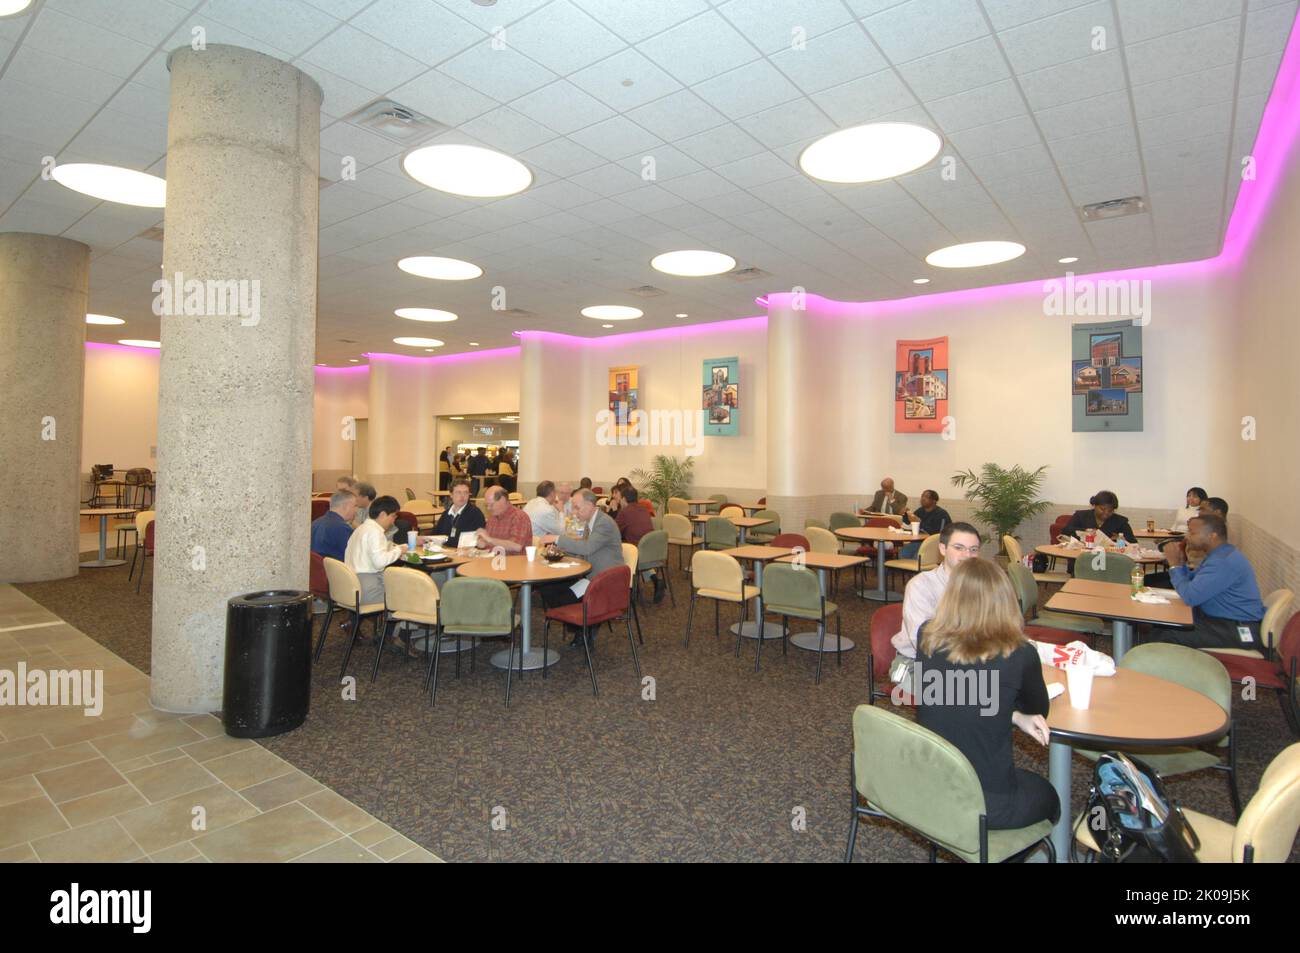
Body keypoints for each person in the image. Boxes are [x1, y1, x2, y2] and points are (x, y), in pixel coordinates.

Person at [915, 558, 1058, 832]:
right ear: (1005, 599)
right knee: (1051, 797)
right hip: (987, 802)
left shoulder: (926, 637)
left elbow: (955, 694)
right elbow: (1039, 709)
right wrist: (1016, 712)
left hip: (932, 787)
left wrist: (1012, 714)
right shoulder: (1020, 653)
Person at [1149, 514, 1266, 650]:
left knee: (1165, 636)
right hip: (1221, 621)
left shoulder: (1223, 562)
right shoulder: (1220, 554)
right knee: (1161, 626)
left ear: (1212, 536)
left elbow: (1190, 596)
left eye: (1192, 532)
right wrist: (1181, 564)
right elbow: (1193, 581)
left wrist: (1174, 565)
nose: (1187, 536)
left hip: (1239, 629)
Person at [538, 489, 624, 644]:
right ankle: (581, 627)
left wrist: (557, 539)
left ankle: (584, 627)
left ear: (590, 505)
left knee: (563, 596)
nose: (575, 512)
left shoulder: (604, 523)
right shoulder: (590, 522)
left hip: (603, 580)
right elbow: (583, 550)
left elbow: (587, 548)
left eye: (577, 508)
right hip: (590, 575)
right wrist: (560, 554)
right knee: (547, 587)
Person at [893, 522, 983, 659]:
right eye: (959, 548)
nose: (967, 555)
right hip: (918, 660)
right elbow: (924, 642)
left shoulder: (983, 586)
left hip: (971, 657)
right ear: (943, 549)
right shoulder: (921, 586)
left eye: (974, 549)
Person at [344, 495, 407, 605]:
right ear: (382, 515)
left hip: (352, 586)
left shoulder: (361, 528)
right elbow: (379, 562)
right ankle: (399, 621)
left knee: (397, 586)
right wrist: (399, 551)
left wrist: (390, 547)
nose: (393, 521)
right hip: (368, 589)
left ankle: (389, 621)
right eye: (393, 516)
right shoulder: (375, 533)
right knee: (408, 596)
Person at [1062, 490, 1135, 543]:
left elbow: (1133, 542)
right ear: (1094, 505)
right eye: (1102, 509)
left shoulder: (1120, 521)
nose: (1106, 513)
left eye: (1110, 510)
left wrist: (1122, 539)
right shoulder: (1081, 516)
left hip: (1109, 559)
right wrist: (1085, 530)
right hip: (1080, 557)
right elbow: (1065, 530)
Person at [477, 485, 534, 553]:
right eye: (487, 505)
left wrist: (489, 539)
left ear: (503, 500)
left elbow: (516, 546)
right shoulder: (492, 518)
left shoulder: (519, 517)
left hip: (514, 561)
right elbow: (491, 542)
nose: (488, 508)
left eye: (491, 505)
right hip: (494, 560)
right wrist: (484, 543)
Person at [432, 479, 485, 547]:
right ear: (451, 495)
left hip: (464, 554)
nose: (462, 496)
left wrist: (444, 540)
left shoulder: (475, 514)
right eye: (458, 492)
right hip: (444, 551)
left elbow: (470, 541)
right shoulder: (446, 514)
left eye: (465, 492)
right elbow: (435, 535)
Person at [899, 489, 949, 558]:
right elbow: (909, 522)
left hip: (934, 544)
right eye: (922, 496)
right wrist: (905, 514)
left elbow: (937, 534)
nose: (923, 498)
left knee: (916, 557)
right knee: (903, 553)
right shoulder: (921, 510)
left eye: (926, 497)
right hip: (919, 541)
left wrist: (920, 522)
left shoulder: (941, 514)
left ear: (934, 501)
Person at [310, 490, 356, 562]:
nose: (355, 510)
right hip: (335, 571)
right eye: (354, 506)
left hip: (317, 570)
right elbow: (354, 556)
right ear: (346, 506)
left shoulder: (315, 523)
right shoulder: (342, 528)